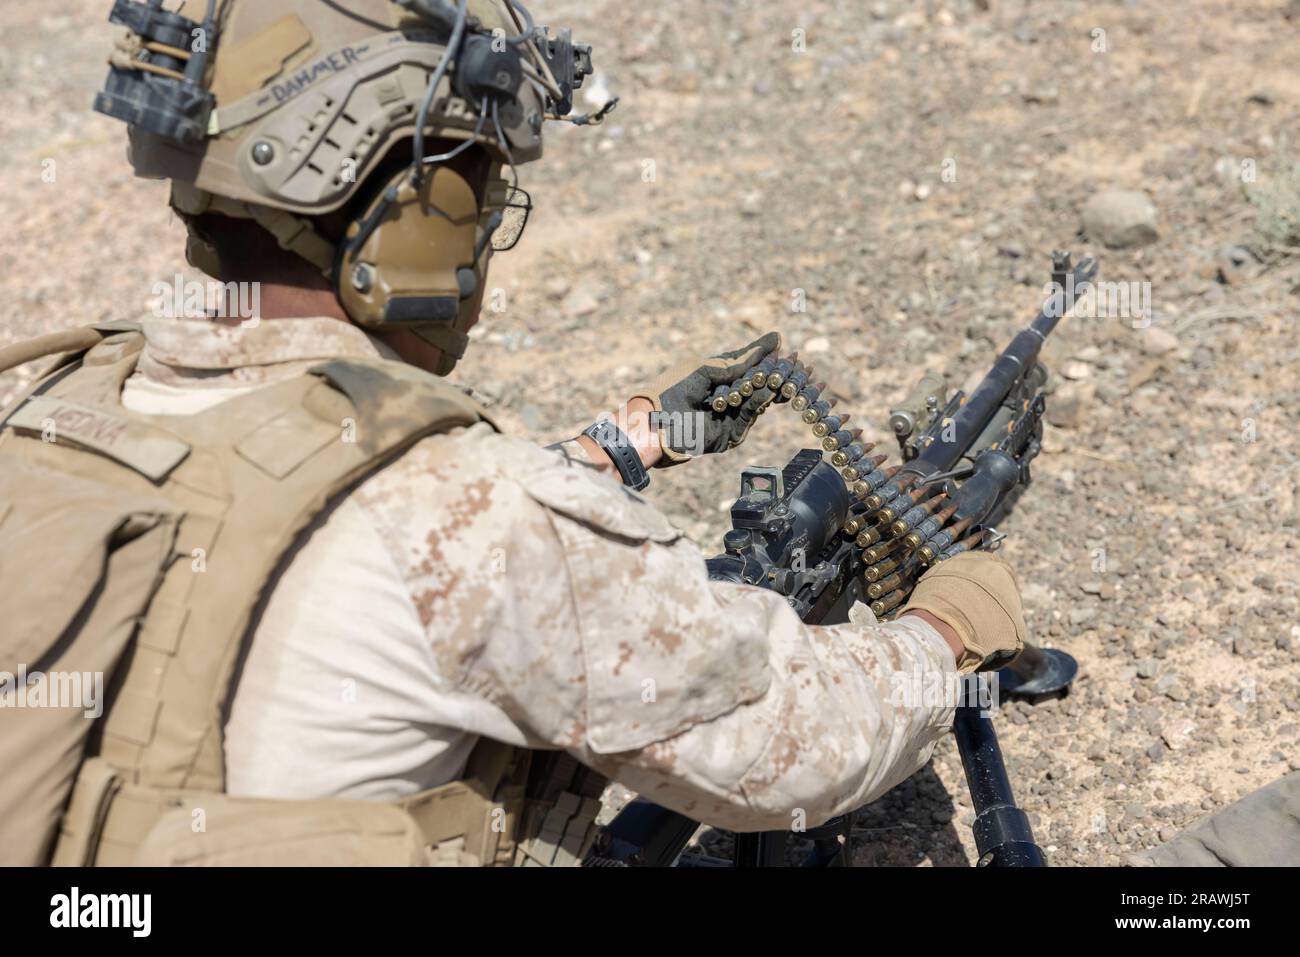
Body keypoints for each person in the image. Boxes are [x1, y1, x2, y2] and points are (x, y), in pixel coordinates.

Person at [0, 0, 1025, 866]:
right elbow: (786, 746)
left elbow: (288, 504)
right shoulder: (478, 517)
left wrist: (621, 450)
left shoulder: (53, 400)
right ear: (417, 212)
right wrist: (943, 636)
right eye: (481, 194)